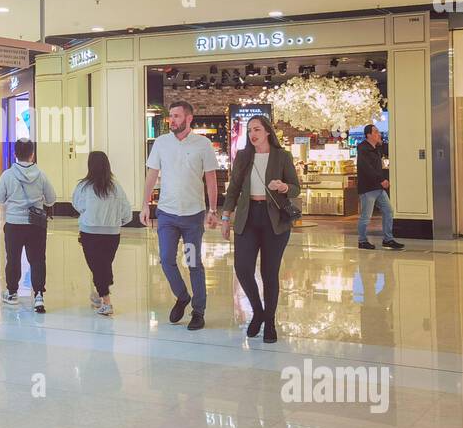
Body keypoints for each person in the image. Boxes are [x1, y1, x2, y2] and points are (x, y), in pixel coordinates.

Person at [222, 114, 301, 342]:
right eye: (249, 131)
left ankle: (270, 322)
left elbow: (296, 188)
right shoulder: (244, 156)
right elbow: (234, 188)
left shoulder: (282, 156)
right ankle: (258, 311)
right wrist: (225, 218)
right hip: (248, 217)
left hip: (274, 220)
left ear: (267, 131)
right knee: (242, 268)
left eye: (256, 129)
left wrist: (284, 186)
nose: (252, 134)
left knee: (269, 273)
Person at [142, 100, 219, 331]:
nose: (172, 120)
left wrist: (213, 210)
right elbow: (152, 174)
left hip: (192, 217)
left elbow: (211, 179)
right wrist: (145, 204)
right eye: (171, 116)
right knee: (166, 260)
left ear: (188, 118)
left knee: (193, 262)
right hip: (167, 214)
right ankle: (182, 296)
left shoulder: (203, 144)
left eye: (176, 116)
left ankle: (198, 311)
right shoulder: (161, 143)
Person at [0, 139, 57, 312]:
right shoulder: (41, 175)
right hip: (36, 225)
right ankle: (38, 296)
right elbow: (51, 198)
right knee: (37, 259)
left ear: (15, 154)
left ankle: (12, 293)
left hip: (14, 224)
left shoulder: (7, 175)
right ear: (32, 154)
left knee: (13, 258)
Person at [72, 150, 132, 315]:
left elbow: (77, 205)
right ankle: (100, 293)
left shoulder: (83, 187)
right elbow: (126, 212)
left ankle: (107, 302)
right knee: (103, 265)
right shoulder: (116, 188)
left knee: (97, 266)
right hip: (112, 234)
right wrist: (115, 223)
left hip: (89, 232)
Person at [356, 123, 404, 250]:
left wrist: (383, 144)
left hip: (378, 188)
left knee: (388, 211)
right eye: (376, 132)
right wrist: (381, 179)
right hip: (368, 188)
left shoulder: (376, 148)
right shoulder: (363, 149)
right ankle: (362, 240)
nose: (379, 134)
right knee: (366, 216)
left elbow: (386, 155)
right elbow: (367, 168)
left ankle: (388, 239)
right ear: (369, 135)